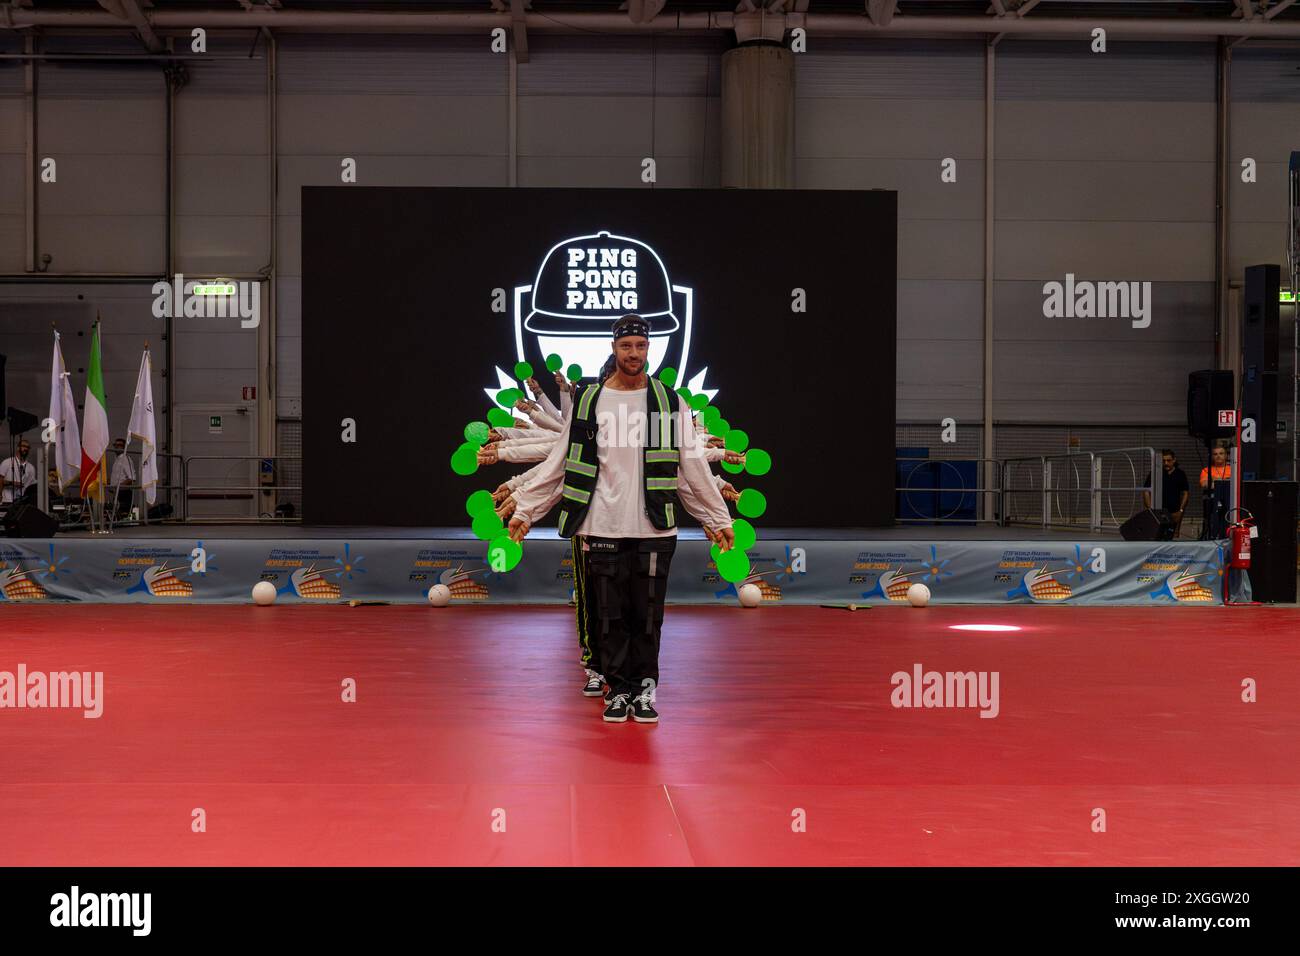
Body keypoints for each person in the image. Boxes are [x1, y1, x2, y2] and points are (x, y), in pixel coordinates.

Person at [508, 316, 736, 724]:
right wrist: (526, 510)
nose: (634, 353)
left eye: (641, 346)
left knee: (647, 615)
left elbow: (692, 467)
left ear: (649, 349)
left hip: (655, 528)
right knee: (610, 615)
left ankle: (644, 690)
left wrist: (716, 518)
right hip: (601, 525)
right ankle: (618, 690)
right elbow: (560, 462)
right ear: (614, 348)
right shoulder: (592, 400)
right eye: (627, 345)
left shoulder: (668, 401)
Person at [1143, 449, 1189, 538]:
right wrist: (1150, 510)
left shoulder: (1180, 474)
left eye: (1169, 460)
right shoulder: (1155, 473)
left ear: (1174, 460)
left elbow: (1185, 493)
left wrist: (1181, 511)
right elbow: (1146, 491)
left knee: (1174, 536)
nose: (1166, 463)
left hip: (1175, 511)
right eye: (1163, 461)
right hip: (1159, 512)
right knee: (1157, 535)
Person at [0, 438, 37, 506]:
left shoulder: (31, 468)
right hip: (7, 500)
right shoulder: (7, 462)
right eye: (23, 446)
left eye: (28, 447)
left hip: (23, 502)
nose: (25, 448)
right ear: (18, 448)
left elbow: (32, 485)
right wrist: (11, 483)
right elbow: (0, 480)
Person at [109, 438, 136, 519]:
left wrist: (117, 487)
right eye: (115, 445)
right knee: (117, 516)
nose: (116, 447)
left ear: (124, 447)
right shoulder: (117, 459)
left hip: (124, 493)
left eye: (119, 445)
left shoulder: (125, 458)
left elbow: (131, 478)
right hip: (117, 493)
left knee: (122, 517)